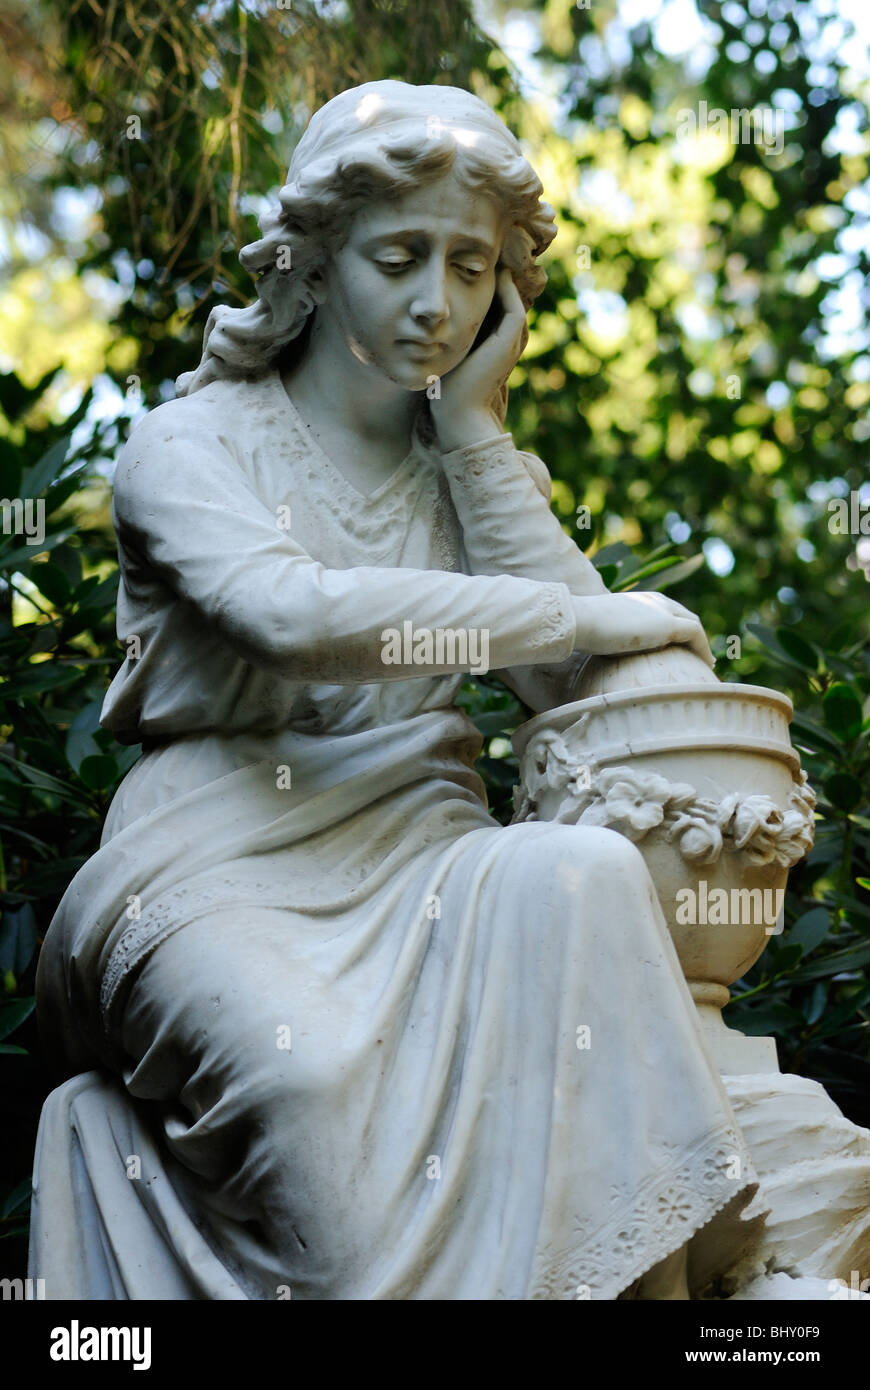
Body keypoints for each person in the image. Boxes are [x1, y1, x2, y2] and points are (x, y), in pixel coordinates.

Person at [33, 80, 760, 1300]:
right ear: (315, 264)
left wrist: (474, 434)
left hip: (429, 850)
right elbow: (293, 616)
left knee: (581, 870)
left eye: (471, 267)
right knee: (309, 1082)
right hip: (216, 860)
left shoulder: (473, 471)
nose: (437, 301)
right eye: (399, 257)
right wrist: (578, 612)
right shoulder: (191, 445)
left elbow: (579, 685)